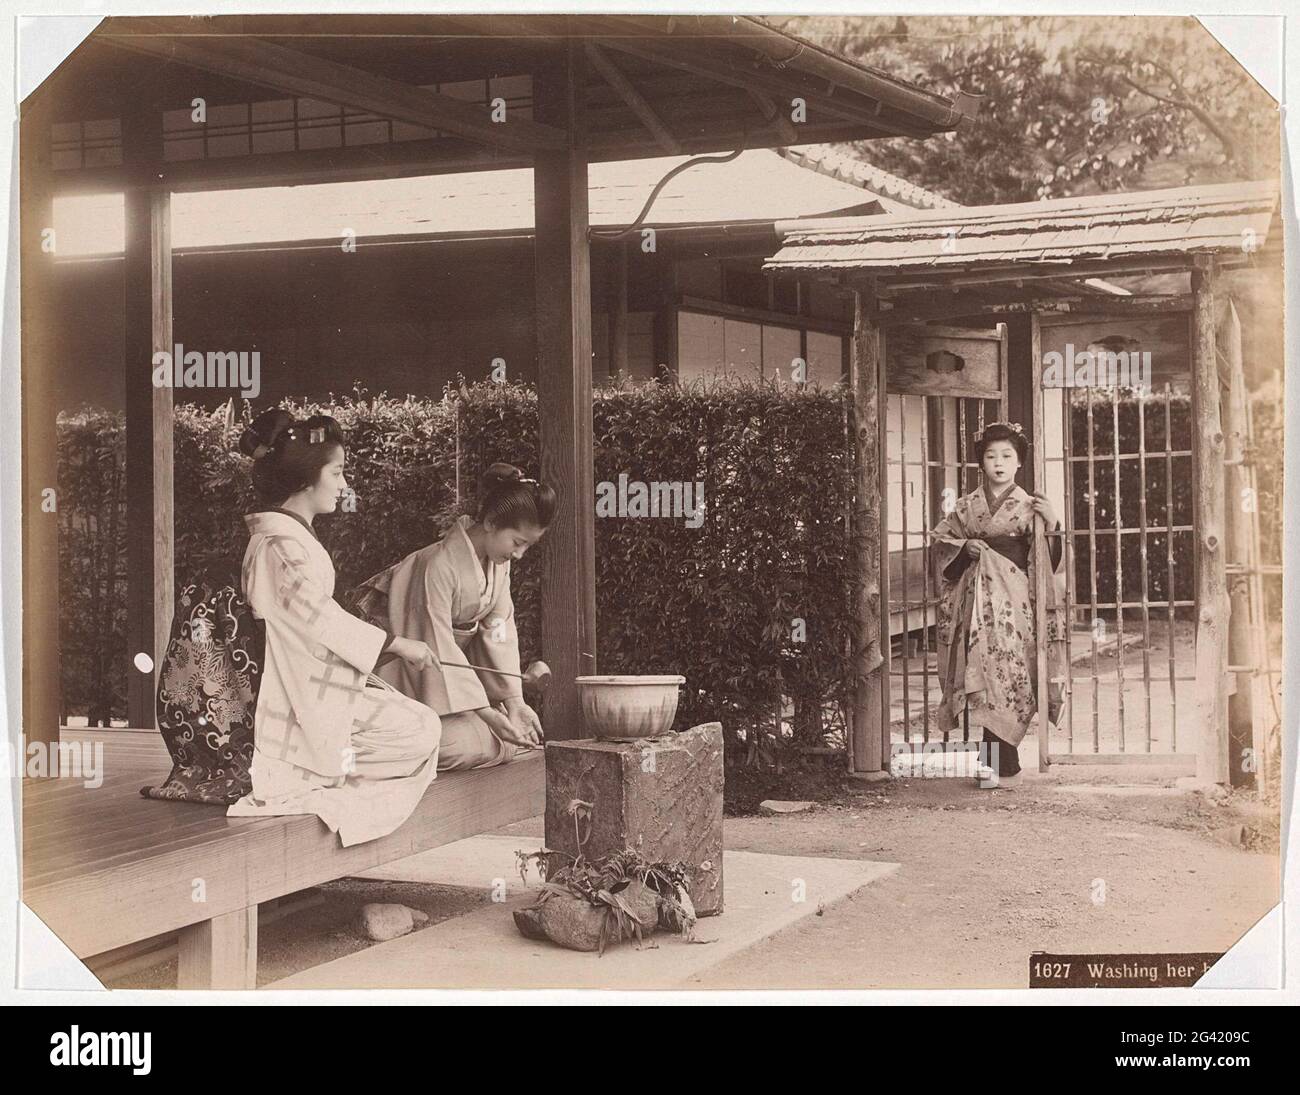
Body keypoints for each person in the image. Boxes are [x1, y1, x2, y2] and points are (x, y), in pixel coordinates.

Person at [227, 409, 444, 846]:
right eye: (337, 472)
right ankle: (310, 769)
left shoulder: (285, 538)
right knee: (419, 731)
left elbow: (318, 620)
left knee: (422, 724)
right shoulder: (279, 545)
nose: (344, 484)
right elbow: (318, 621)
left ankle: (323, 766)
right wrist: (398, 644)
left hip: (307, 677)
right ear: (307, 477)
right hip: (290, 690)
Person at [352, 463, 554, 770]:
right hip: (405, 675)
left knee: (500, 736)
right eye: (517, 542)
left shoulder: (498, 565)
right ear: (490, 522)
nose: (520, 554)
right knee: (463, 743)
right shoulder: (438, 565)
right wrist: (487, 713)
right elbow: (434, 644)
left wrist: (515, 703)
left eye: (528, 545)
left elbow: (499, 631)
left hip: (453, 685)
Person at [930, 421, 1066, 787]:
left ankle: (1001, 761)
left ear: (1019, 462)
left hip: (1014, 602)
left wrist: (1052, 523)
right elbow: (940, 543)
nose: (999, 462)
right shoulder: (965, 507)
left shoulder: (1029, 506)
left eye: (1007, 455)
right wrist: (965, 549)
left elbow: (1047, 562)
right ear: (982, 463)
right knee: (981, 676)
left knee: (1010, 676)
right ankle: (995, 764)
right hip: (974, 604)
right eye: (991, 456)